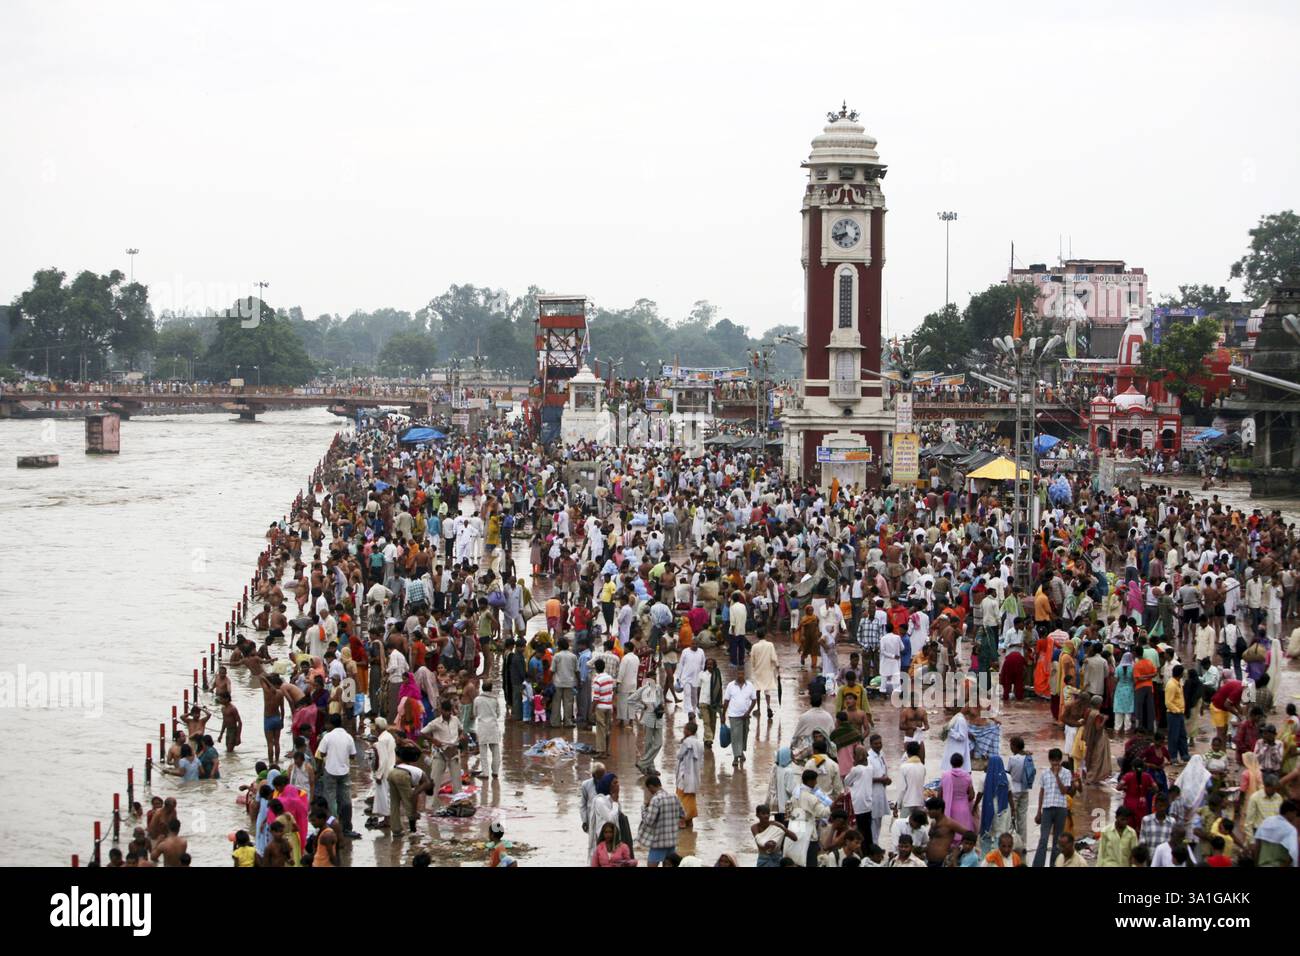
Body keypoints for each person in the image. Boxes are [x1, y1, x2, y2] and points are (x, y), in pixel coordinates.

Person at [315, 714, 360, 839]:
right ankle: (346, 828)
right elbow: (352, 756)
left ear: (331, 724)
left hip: (330, 772)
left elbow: (322, 753)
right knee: (345, 801)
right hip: (344, 772)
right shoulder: (348, 737)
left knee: (330, 800)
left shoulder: (327, 737)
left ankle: (332, 827)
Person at [1032, 747, 1073, 867]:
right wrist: (1038, 811)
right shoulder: (1044, 773)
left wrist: (1057, 776)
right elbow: (1041, 792)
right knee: (1043, 839)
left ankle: (1055, 864)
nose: (1055, 763)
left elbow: (1064, 791)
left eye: (1057, 760)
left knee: (1058, 840)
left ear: (1060, 760)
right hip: (1047, 808)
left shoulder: (1066, 773)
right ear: (1050, 760)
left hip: (1061, 808)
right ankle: (1038, 865)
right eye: (1053, 760)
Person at [636, 775, 683, 866]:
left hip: (658, 843)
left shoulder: (656, 800)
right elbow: (683, 814)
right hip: (671, 842)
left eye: (648, 789)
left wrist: (644, 807)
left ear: (651, 787)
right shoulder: (674, 797)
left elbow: (648, 821)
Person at [722, 665, 758, 768]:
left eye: (742, 673)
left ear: (744, 674)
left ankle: (740, 752)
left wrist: (748, 712)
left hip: (745, 716)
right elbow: (726, 701)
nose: (740, 675)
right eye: (738, 673)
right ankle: (735, 757)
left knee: (744, 735)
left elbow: (754, 700)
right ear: (736, 674)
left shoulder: (750, 685)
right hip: (734, 715)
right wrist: (723, 714)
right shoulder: (730, 686)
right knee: (735, 736)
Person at [675, 721, 704, 829]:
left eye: (685, 729)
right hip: (695, 774)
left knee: (681, 797)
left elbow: (679, 755)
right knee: (691, 797)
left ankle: (682, 820)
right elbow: (701, 760)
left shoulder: (686, 742)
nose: (683, 731)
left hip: (684, 774)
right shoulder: (699, 743)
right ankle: (689, 820)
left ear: (689, 731)